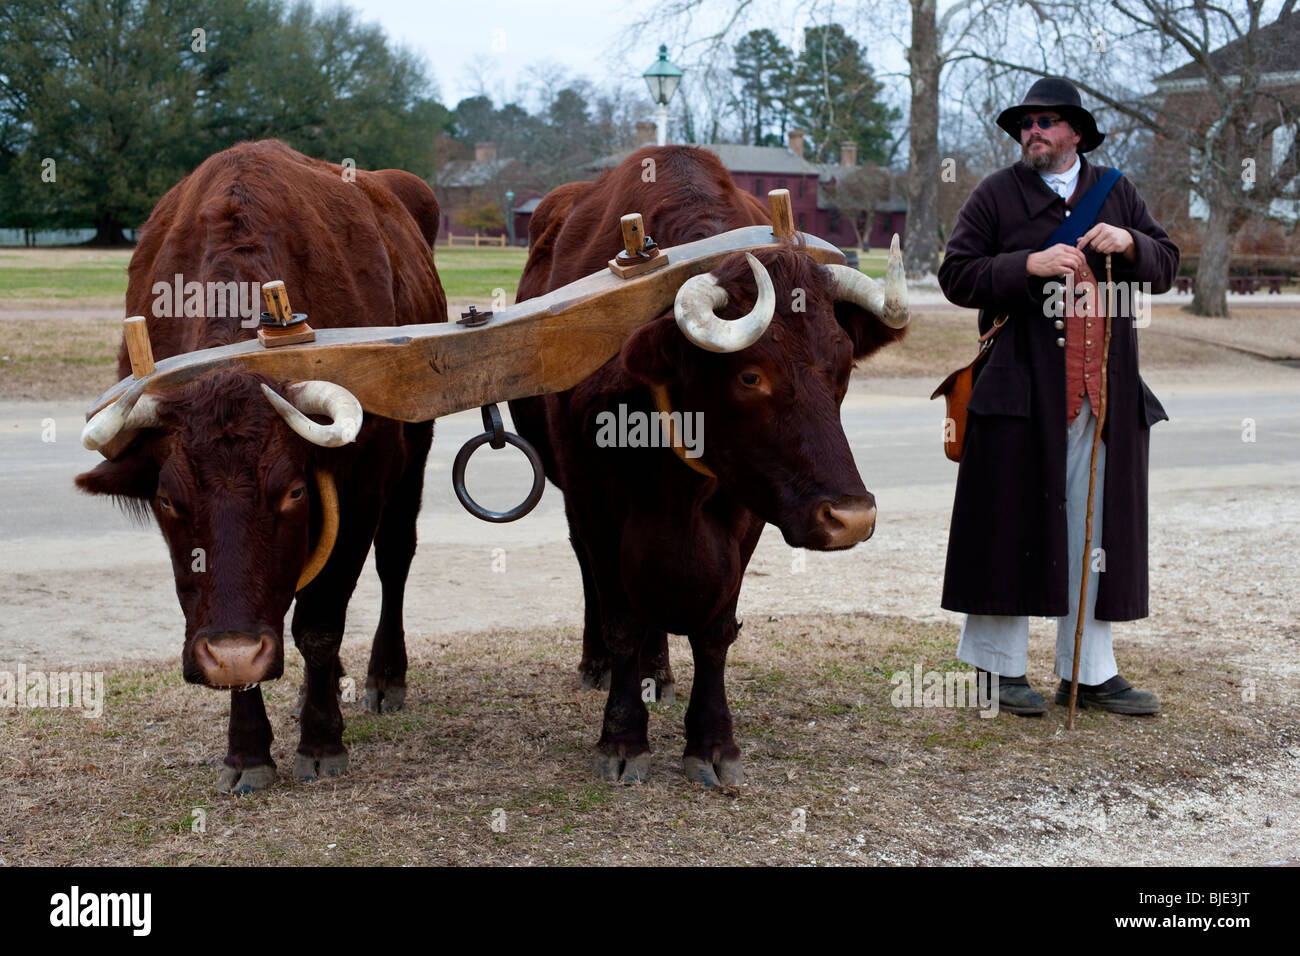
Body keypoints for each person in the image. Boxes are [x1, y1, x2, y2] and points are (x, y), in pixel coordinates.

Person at [937, 77, 1179, 716]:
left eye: (1045, 122)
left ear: (1074, 131)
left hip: (1105, 389)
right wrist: (1026, 266)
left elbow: (1168, 262)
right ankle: (995, 669)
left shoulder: (1117, 191)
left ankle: (1089, 673)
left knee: (1097, 530)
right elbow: (956, 275)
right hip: (1020, 392)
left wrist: (1131, 242)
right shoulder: (996, 193)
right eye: (1025, 123)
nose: (1032, 132)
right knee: (1008, 520)